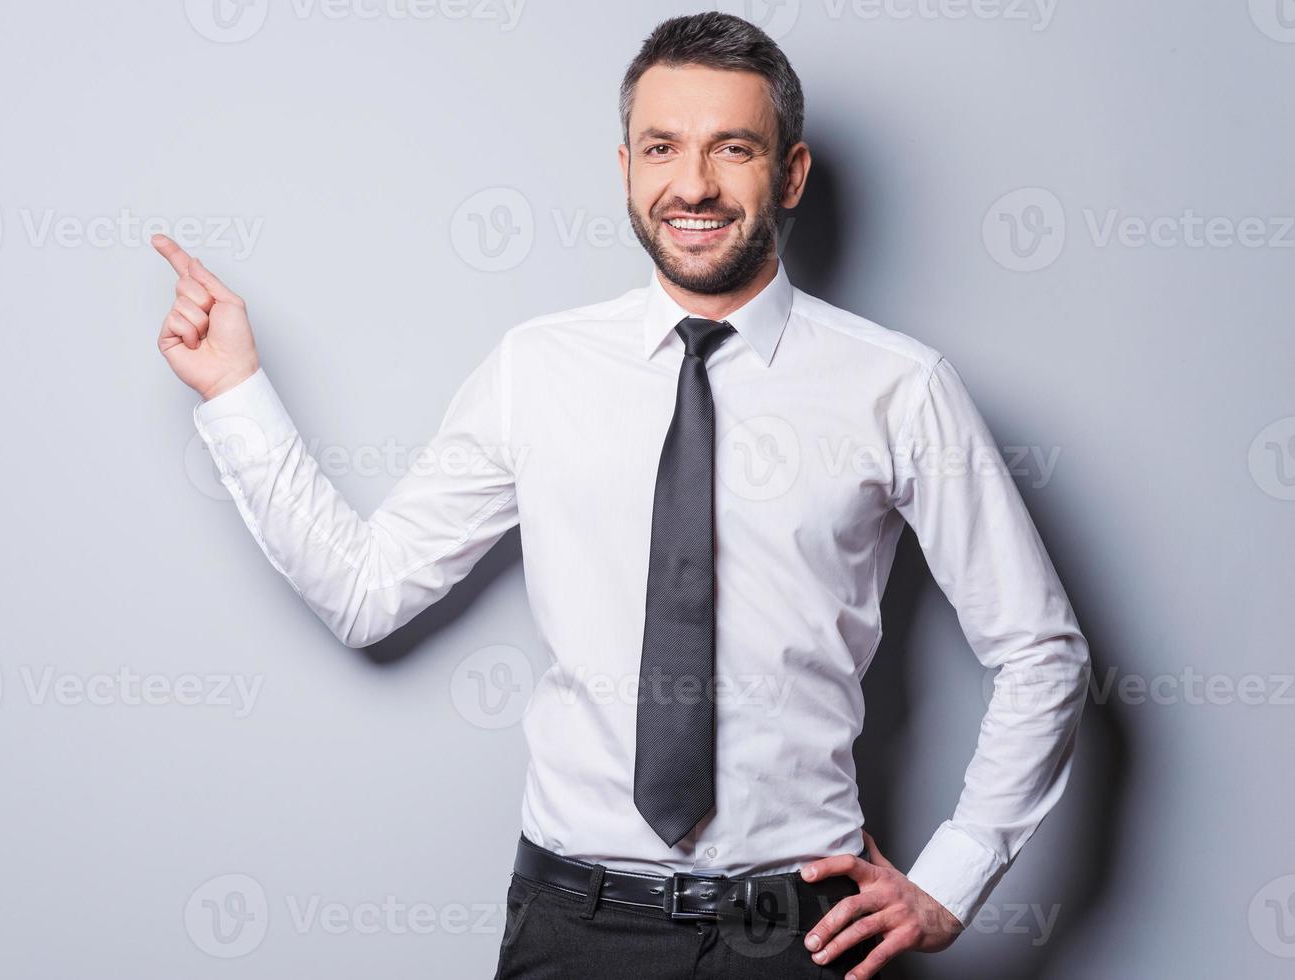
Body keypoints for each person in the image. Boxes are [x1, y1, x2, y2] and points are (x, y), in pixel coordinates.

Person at [150, 12, 1090, 979]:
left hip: (797, 933)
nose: (692, 184)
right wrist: (236, 394)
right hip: (575, 926)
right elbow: (365, 593)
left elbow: (1038, 651)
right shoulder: (537, 367)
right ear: (626, 166)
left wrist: (953, 877)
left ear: (792, 173)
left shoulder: (897, 387)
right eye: (662, 148)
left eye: (733, 148)